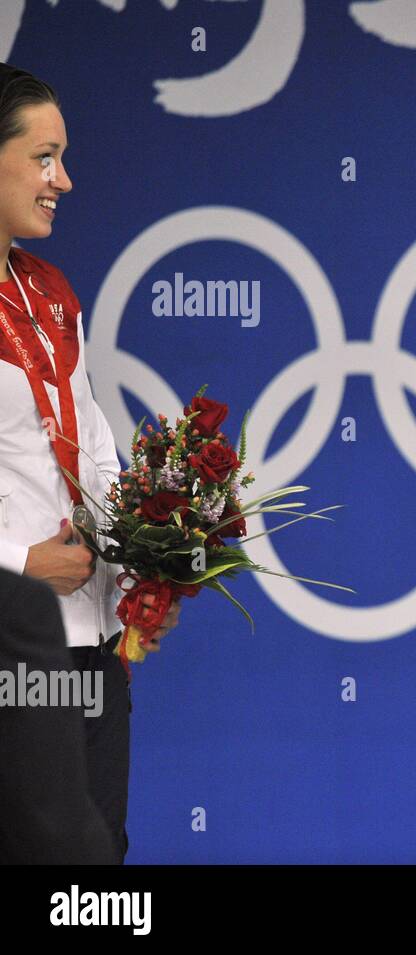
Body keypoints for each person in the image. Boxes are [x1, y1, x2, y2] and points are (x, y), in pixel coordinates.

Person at [0, 63, 182, 863]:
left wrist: (144, 575)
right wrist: (17, 565)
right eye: (44, 157)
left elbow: (97, 453)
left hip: (94, 650)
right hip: (11, 648)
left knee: (98, 869)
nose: (63, 179)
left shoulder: (50, 293)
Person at [0, 566, 117, 864]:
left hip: (105, 652)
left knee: (108, 832)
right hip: (24, 638)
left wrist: (139, 597)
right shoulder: (26, 605)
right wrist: (24, 561)